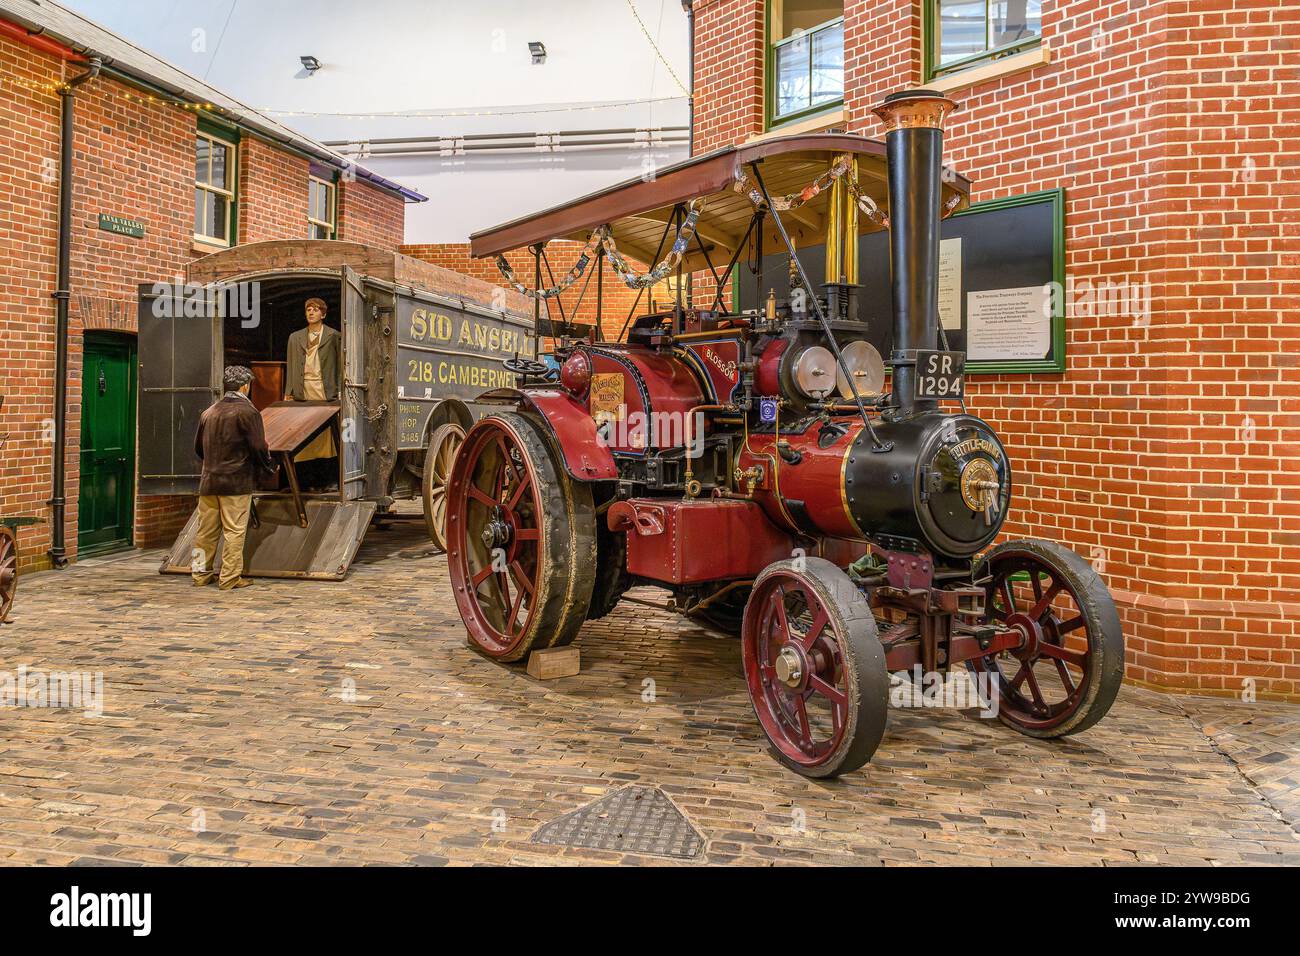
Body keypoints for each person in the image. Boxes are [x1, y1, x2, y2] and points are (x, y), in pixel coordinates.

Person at [192, 365, 275, 590]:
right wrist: (268, 467)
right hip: (236, 482)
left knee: (204, 533)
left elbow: (198, 448)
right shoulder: (248, 412)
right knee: (234, 531)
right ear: (245, 386)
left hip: (208, 482)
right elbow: (258, 446)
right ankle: (229, 578)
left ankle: (199, 574)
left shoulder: (208, 412)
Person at [285, 297, 340, 469]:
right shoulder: (295, 337)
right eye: (308, 309)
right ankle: (306, 477)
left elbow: (340, 364)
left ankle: (327, 474)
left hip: (324, 389)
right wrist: (289, 391)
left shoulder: (333, 335)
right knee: (303, 429)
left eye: (315, 309)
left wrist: (339, 388)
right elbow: (291, 363)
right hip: (303, 389)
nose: (311, 312)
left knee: (326, 432)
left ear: (323, 314)